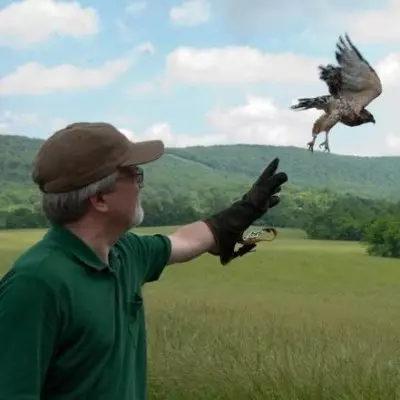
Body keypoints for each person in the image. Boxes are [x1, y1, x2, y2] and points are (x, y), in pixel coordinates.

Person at [0, 122, 288, 400]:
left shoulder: (124, 253)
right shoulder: (37, 284)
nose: (141, 185)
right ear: (100, 198)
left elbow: (185, 241)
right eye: (134, 174)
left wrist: (243, 211)